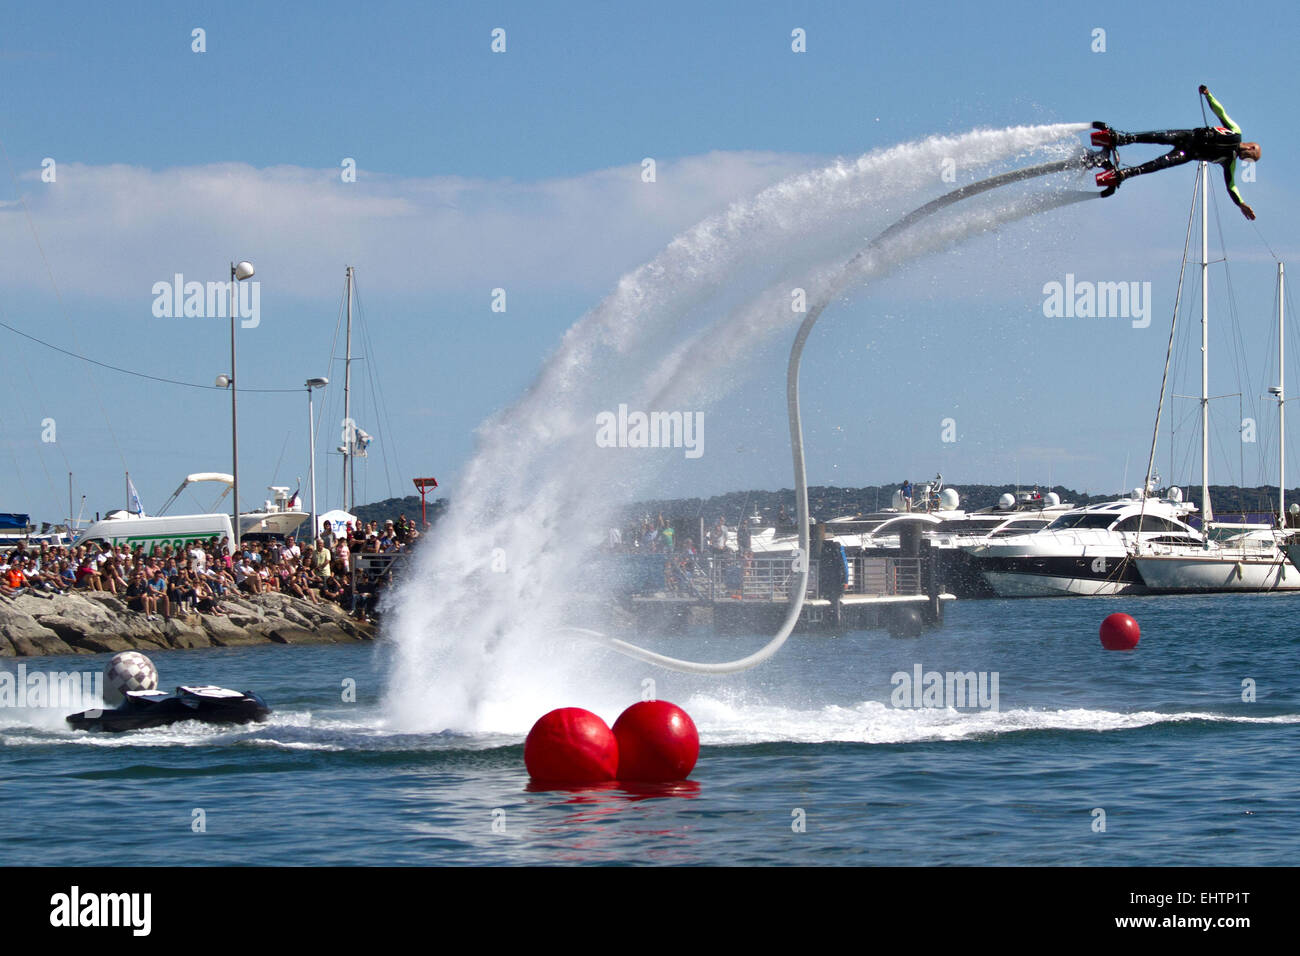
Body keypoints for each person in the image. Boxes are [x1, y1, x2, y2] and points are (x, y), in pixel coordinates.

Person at [1094, 86, 1259, 220]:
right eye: (1252, 155)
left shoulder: (1229, 161)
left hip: (1186, 154)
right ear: (1251, 147)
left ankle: (1124, 174)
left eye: (1250, 160)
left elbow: (1231, 186)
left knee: (1159, 164)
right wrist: (1209, 95)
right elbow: (1220, 112)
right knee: (1157, 136)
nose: (1248, 159)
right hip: (1187, 136)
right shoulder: (1236, 132)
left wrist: (1241, 203)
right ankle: (1121, 139)